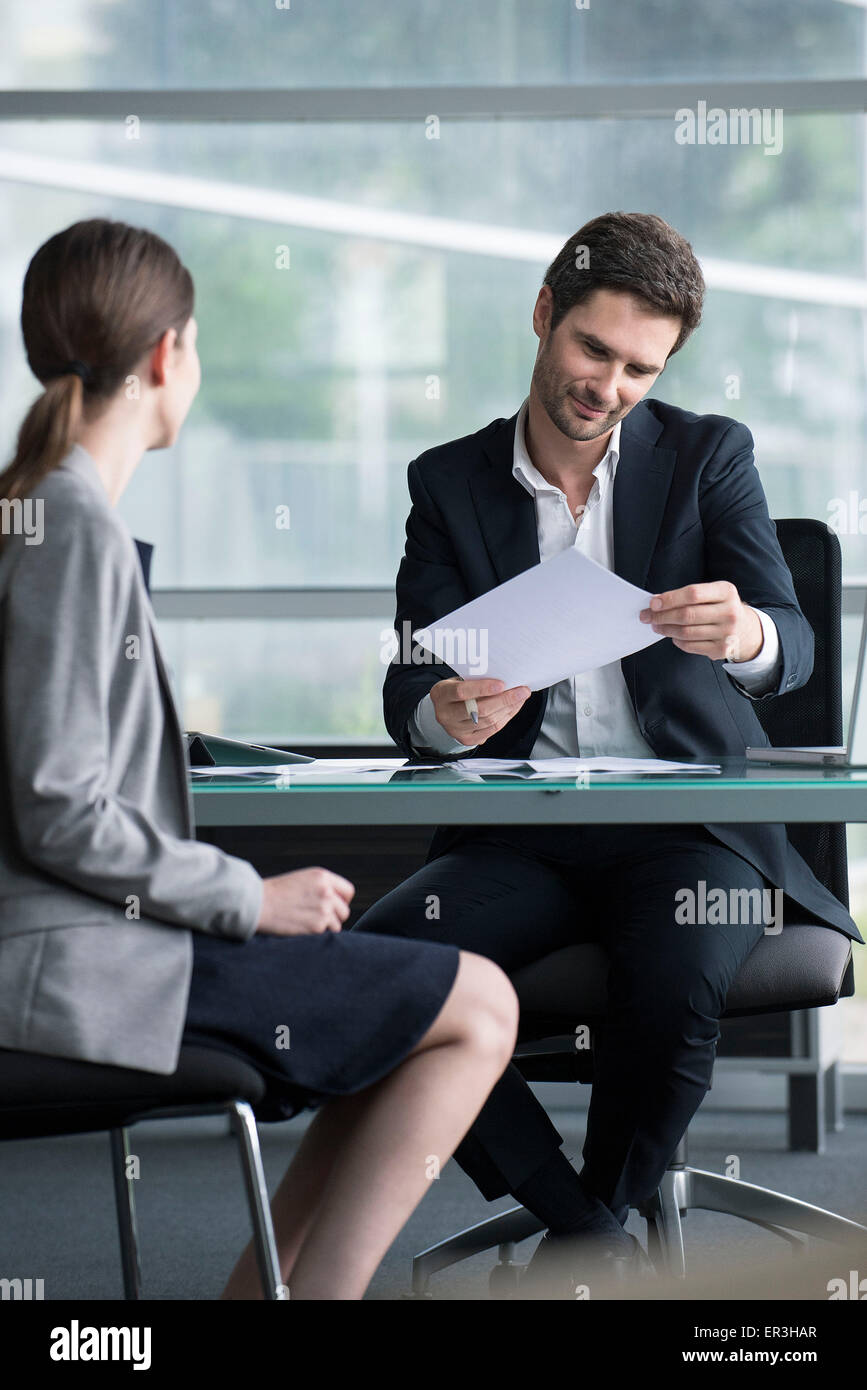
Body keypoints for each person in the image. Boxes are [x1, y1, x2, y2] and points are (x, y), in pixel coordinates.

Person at [0, 217, 520, 1302]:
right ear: (164, 355)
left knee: (403, 1014)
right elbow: (58, 806)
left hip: (81, 955)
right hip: (75, 976)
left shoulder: (37, 514)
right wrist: (247, 895)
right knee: (480, 1002)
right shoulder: (69, 526)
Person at [351, 211, 862, 1297]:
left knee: (674, 972)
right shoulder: (449, 484)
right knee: (377, 977)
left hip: (690, 824)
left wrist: (751, 633)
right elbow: (409, 686)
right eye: (593, 351)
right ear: (544, 316)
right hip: (519, 831)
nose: (609, 386)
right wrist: (447, 714)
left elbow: (797, 642)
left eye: (639, 367)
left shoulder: (707, 455)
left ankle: (584, 1241)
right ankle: (590, 1231)